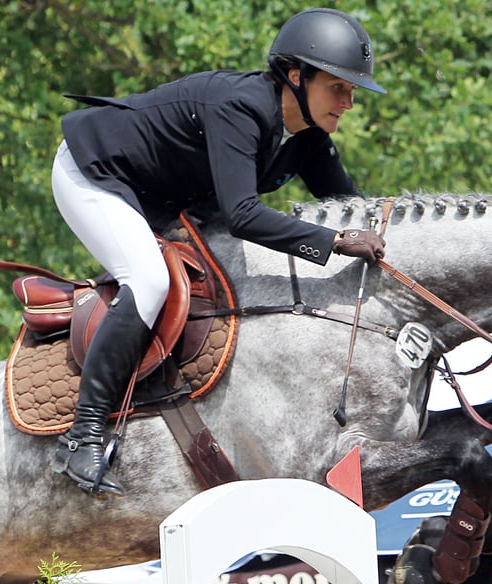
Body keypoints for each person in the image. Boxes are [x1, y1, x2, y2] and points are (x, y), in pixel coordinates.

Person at [50, 8, 388, 495]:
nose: (350, 102)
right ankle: (84, 432)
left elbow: (349, 207)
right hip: (95, 172)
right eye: (339, 87)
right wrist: (334, 242)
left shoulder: (310, 136)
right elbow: (243, 215)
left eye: (352, 90)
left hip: (160, 194)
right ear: (296, 76)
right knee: (148, 280)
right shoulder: (241, 107)